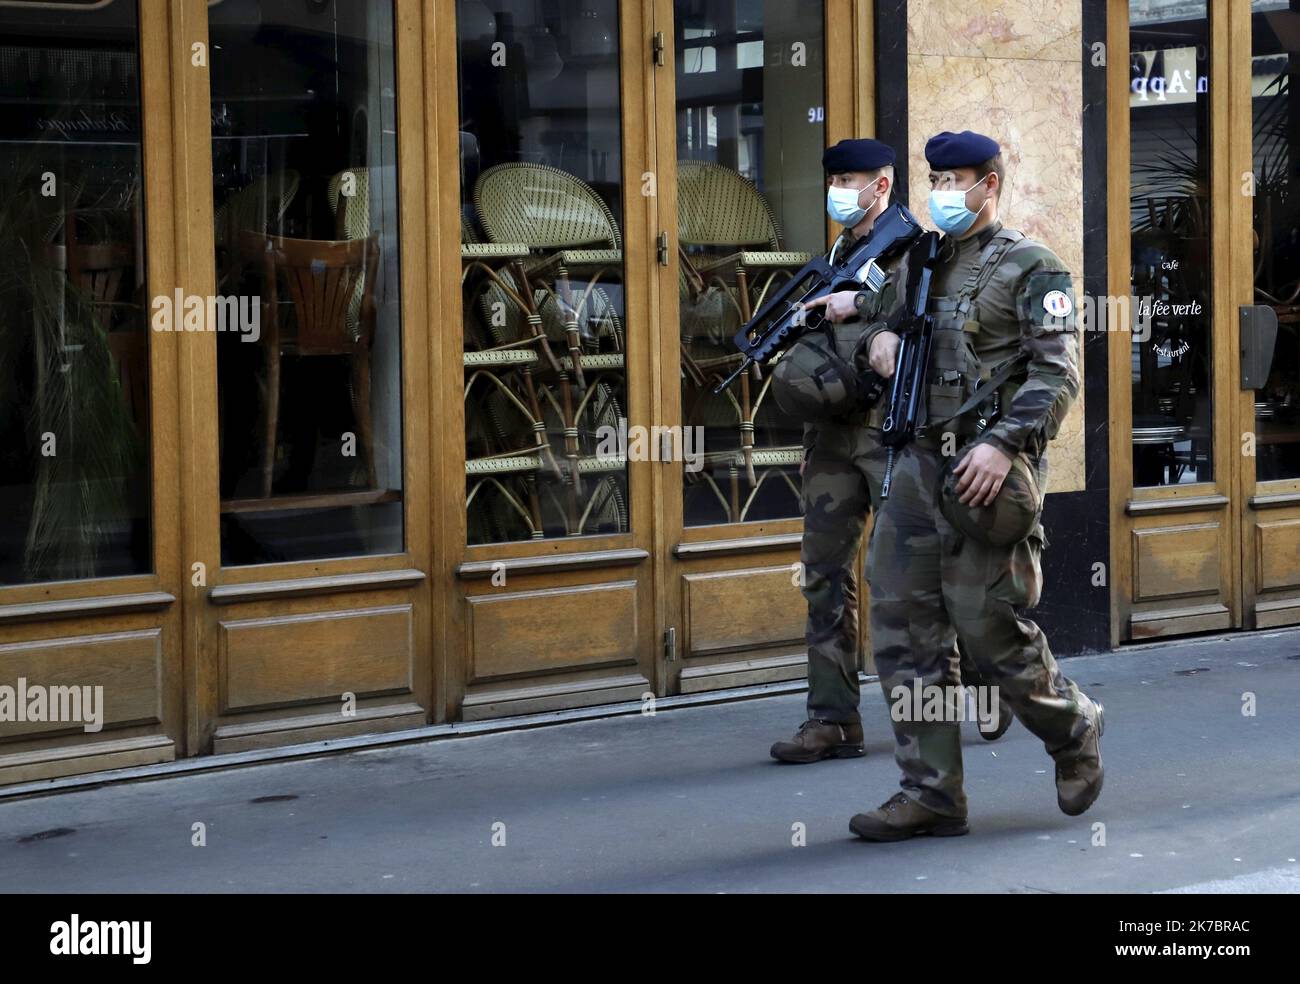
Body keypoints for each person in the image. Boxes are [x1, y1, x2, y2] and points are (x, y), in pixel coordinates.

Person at [848, 130, 1104, 840]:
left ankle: (1072, 726)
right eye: (935, 179)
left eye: (956, 179)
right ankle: (930, 792)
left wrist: (1001, 443)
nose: (943, 192)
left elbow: (1058, 374)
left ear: (991, 184)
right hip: (912, 468)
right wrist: (875, 345)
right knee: (903, 631)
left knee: (990, 632)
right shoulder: (918, 260)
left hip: (982, 474)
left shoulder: (1034, 268)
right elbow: (866, 329)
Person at [768, 137, 1010, 765]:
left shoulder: (917, 251)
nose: (840, 191)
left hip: (891, 431)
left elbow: (925, 330)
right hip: (833, 438)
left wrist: (872, 332)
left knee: (919, 575)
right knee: (823, 575)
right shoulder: (838, 252)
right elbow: (821, 353)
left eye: (853, 179)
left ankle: (969, 695)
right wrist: (809, 439)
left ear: (882, 185)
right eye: (835, 179)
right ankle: (832, 718)